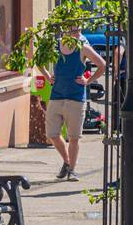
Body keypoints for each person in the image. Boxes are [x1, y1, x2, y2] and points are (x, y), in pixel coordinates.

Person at [44, 26, 107, 181]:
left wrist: (88, 80)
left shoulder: (82, 48)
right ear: (64, 31)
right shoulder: (55, 45)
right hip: (56, 96)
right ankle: (66, 161)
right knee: (52, 134)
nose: (78, 34)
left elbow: (102, 64)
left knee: (74, 137)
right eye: (74, 31)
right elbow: (38, 60)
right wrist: (47, 76)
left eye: (79, 30)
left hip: (76, 98)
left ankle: (72, 169)